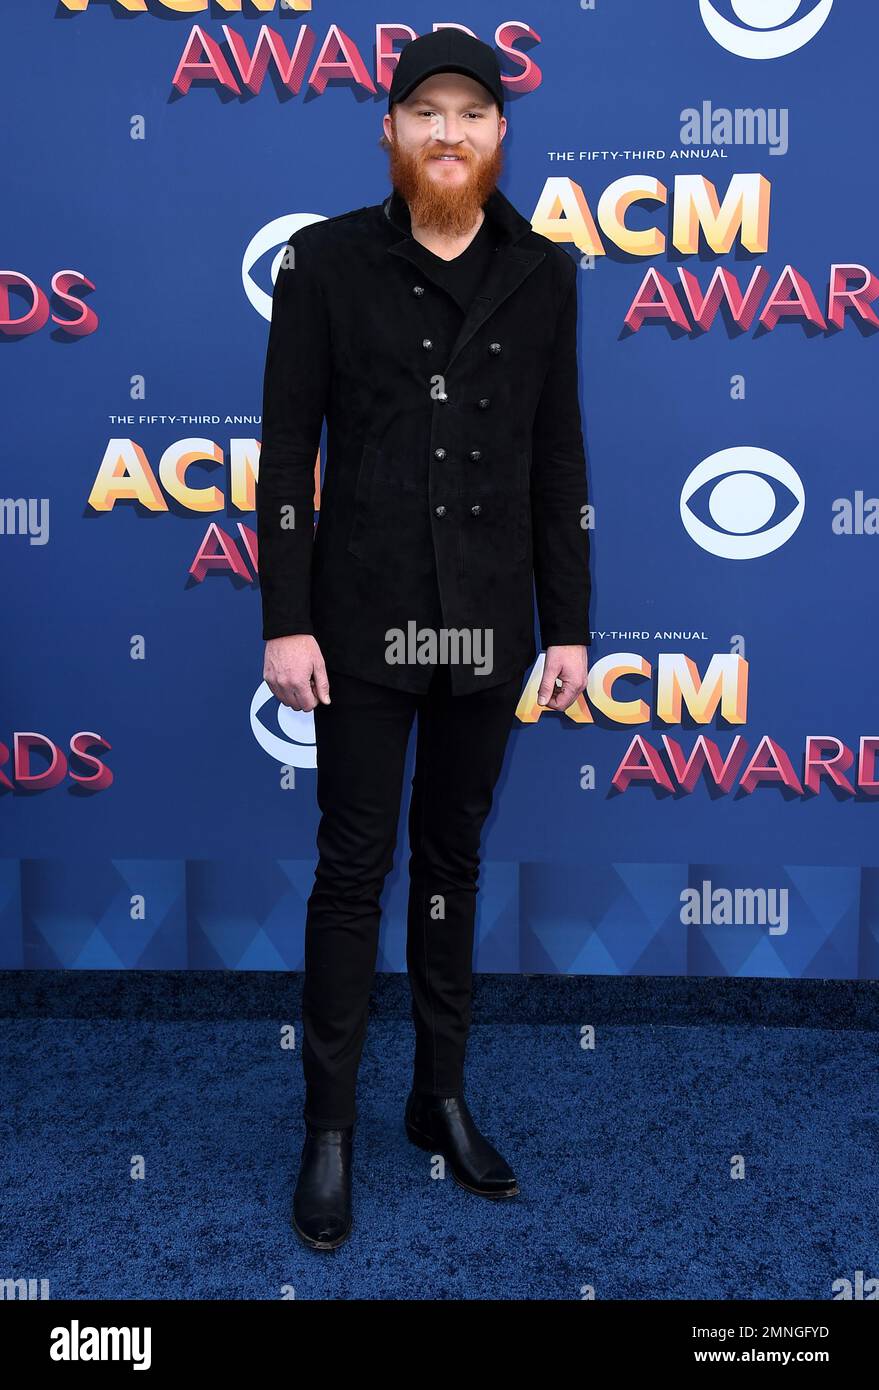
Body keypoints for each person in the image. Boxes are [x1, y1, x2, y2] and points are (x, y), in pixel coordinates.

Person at [256, 29, 592, 1250]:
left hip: (491, 626)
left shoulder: (546, 273)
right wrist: (284, 616)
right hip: (357, 625)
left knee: (452, 863)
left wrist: (571, 629)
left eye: (471, 113)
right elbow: (288, 452)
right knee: (354, 870)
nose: (448, 131)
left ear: (502, 137)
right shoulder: (325, 265)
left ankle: (437, 1095)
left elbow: (560, 460)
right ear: (389, 132)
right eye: (424, 111)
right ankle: (329, 1125)